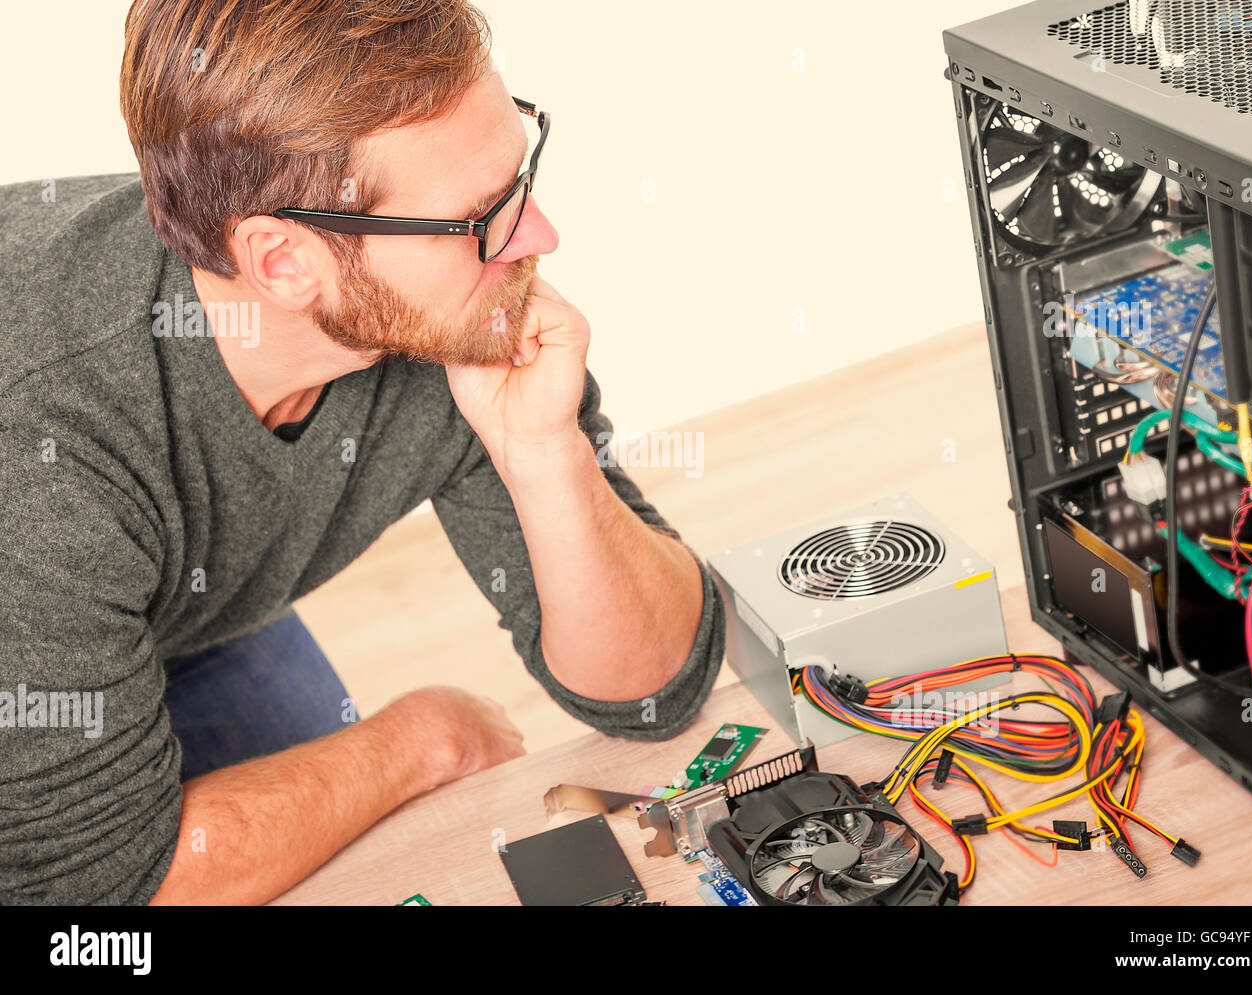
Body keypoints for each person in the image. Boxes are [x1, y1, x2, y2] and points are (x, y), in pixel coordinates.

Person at [0, 0, 723, 905]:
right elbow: (95, 893)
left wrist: (546, 452)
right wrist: (422, 739)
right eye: (479, 217)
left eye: (519, 177)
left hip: (168, 600)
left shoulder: (446, 320)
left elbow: (653, 694)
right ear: (284, 263)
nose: (539, 234)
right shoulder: (42, 460)